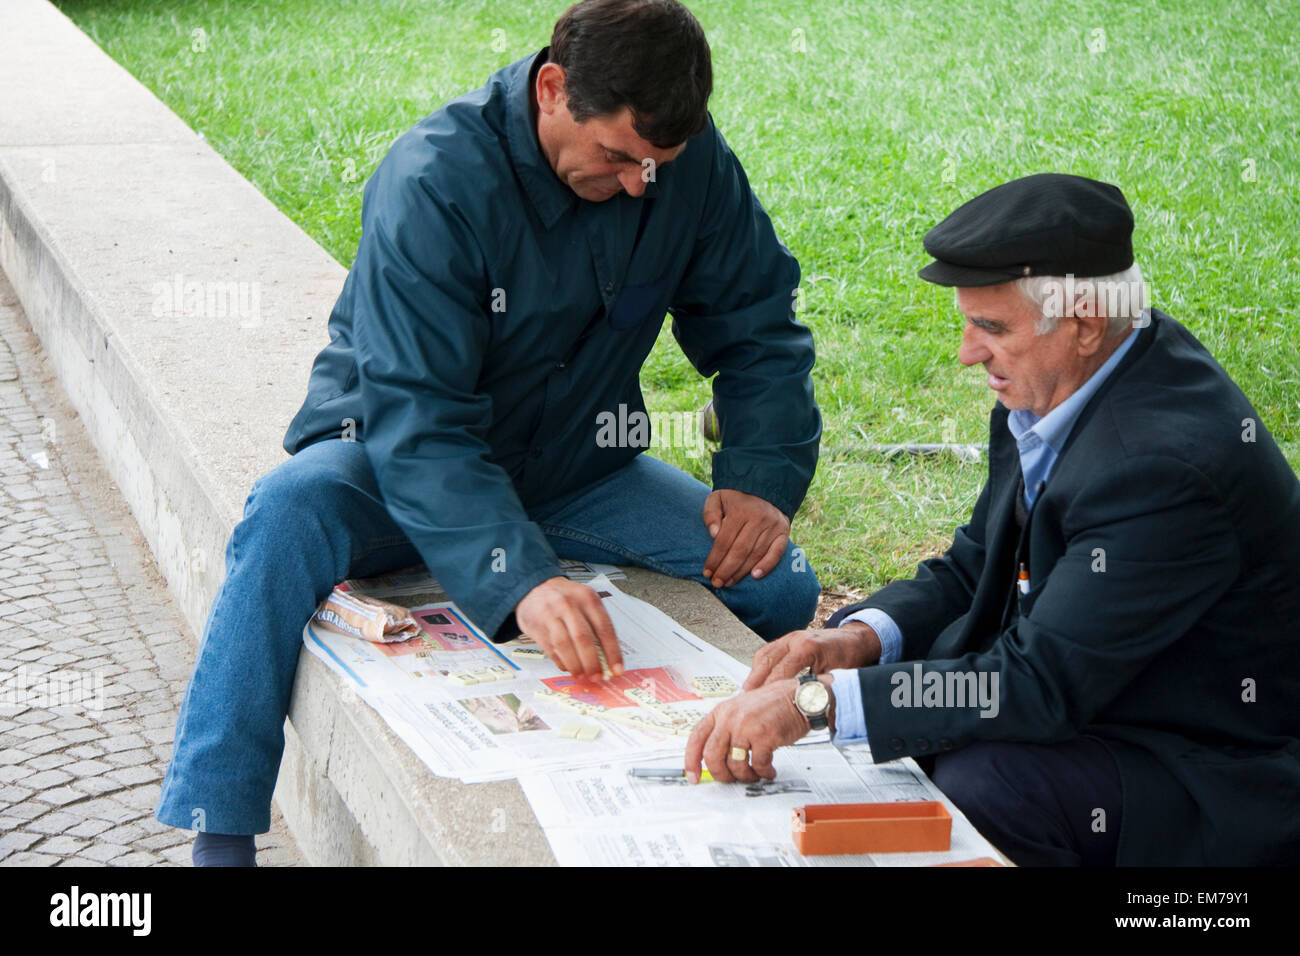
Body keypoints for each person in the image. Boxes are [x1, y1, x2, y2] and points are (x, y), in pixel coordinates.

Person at [157, 0, 822, 865]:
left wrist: (763, 478)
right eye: (618, 157)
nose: (636, 184)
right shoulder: (433, 181)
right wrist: (520, 579)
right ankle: (222, 827)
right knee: (287, 511)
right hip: (394, 459)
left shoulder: (679, 166)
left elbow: (756, 322)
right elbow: (419, 420)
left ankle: (718, 799)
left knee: (781, 583)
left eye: (656, 165)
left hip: (577, 467)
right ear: (553, 88)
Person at [685, 173, 1300, 866]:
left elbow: (1039, 682)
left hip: (1216, 766)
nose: (967, 353)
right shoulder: (1064, 380)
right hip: (1114, 699)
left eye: (991, 327)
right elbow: (976, 566)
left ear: (1086, 323)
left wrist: (816, 704)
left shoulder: (1163, 469)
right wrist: (852, 642)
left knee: (984, 784)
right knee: (933, 743)